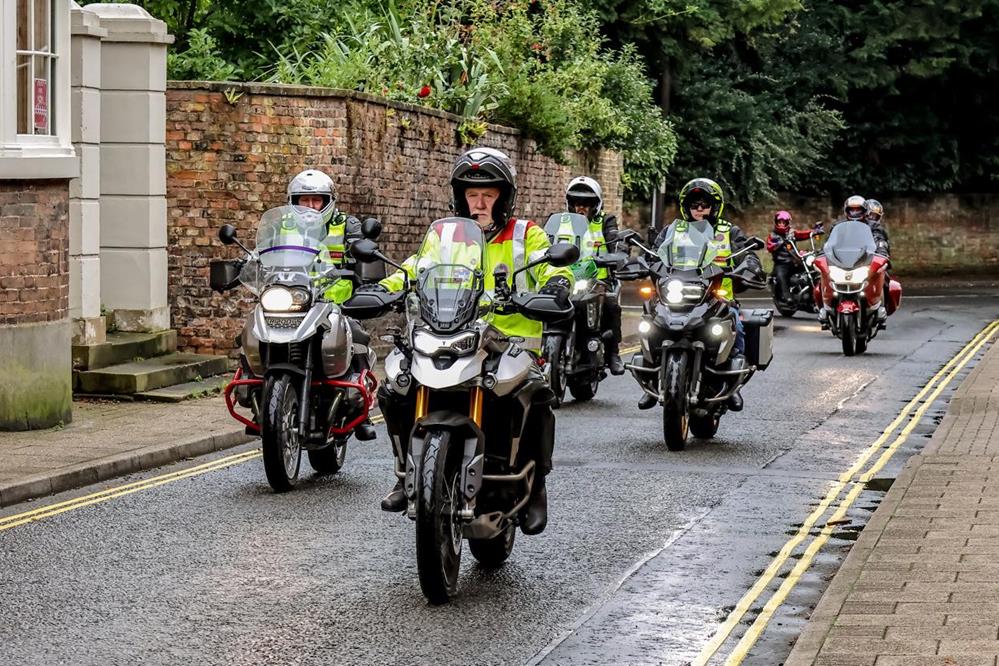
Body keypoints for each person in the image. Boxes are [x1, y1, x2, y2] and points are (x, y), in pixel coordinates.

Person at [365, 147, 572, 535]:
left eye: (488, 194)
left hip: (512, 343)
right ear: (459, 197)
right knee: (396, 386)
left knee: (539, 397)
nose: (478, 202)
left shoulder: (527, 234)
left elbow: (552, 266)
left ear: (504, 197)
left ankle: (537, 485)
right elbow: (413, 269)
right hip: (451, 333)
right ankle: (403, 471)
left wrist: (558, 285)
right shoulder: (445, 237)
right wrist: (382, 289)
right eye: (471, 194)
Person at [646, 177, 764, 412]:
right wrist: (644, 260)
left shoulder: (728, 231)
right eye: (694, 205)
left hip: (717, 297)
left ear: (715, 206)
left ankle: (732, 386)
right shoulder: (673, 229)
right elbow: (654, 254)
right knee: (650, 322)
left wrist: (749, 265)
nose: (699, 210)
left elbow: (747, 255)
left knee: (737, 328)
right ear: (686, 207)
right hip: (676, 296)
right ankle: (652, 379)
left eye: (705, 204)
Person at [564, 176, 625, 375]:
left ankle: (612, 353)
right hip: (566, 276)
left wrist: (618, 250)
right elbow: (546, 241)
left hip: (598, 279)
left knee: (611, 305)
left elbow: (615, 239)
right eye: (576, 203)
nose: (580, 208)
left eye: (586, 203)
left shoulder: (606, 221)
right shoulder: (561, 221)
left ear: (595, 205)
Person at [766, 210, 822, 305]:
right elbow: (770, 246)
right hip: (781, 263)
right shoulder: (773, 235)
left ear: (787, 223)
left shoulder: (791, 233)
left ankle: (815, 291)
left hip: (794, 261)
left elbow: (802, 234)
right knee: (781, 276)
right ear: (776, 222)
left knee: (811, 268)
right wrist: (779, 243)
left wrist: (815, 232)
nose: (782, 224)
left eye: (784, 222)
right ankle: (787, 296)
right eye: (780, 222)